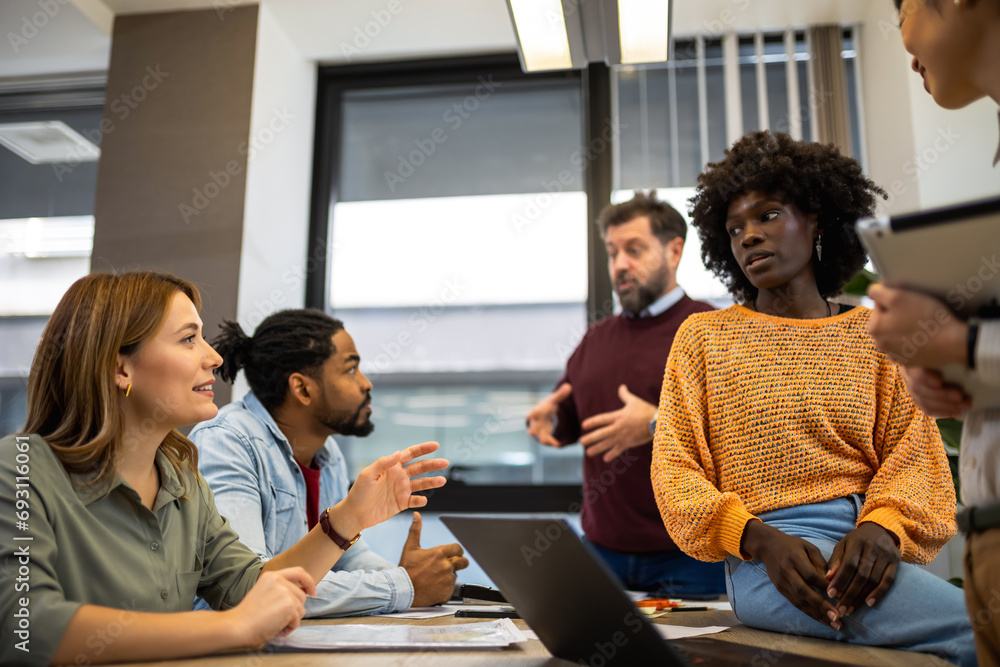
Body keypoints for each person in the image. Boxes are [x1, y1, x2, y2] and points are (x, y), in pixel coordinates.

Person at [0, 272, 448, 666]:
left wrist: (350, 518)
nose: (214, 357)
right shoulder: (19, 468)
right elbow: (28, 628)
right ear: (120, 368)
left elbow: (248, 584)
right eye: (188, 338)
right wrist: (234, 628)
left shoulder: (183, 478)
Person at [651, 130, 974, 666]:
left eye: (769, 215)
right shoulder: (703, 338)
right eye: (735, 229)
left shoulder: (875, 334)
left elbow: (916, 457)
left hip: (866, 552)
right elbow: (674, 470)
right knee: (978, 631)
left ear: (817, 220)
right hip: (772, 562)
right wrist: (756, 539)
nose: (750, 236)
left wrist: (882, 527)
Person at [867, 1, 1000, 664]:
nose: (903, 41)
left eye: (900, 12)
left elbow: (912, 465)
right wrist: (963, 372)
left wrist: (961, 346)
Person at [189, 309, 469, 616]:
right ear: (303, 389)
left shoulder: (328, 453)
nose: (366, 384)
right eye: (351, 370)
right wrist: (403, 586)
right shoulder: (226, 440)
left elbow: (346, 557)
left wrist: (414, 576)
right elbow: (252, 589)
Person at [525, 191, 725, 598]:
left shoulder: (711, 329)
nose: (620, 265)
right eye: (613, 252)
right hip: (602, 551)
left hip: (691, 556)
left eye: (634, 250)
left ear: (674, 250)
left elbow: (742, 436)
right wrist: (550, 421)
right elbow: (576, 416)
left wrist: (656, 424)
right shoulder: (597, 338)